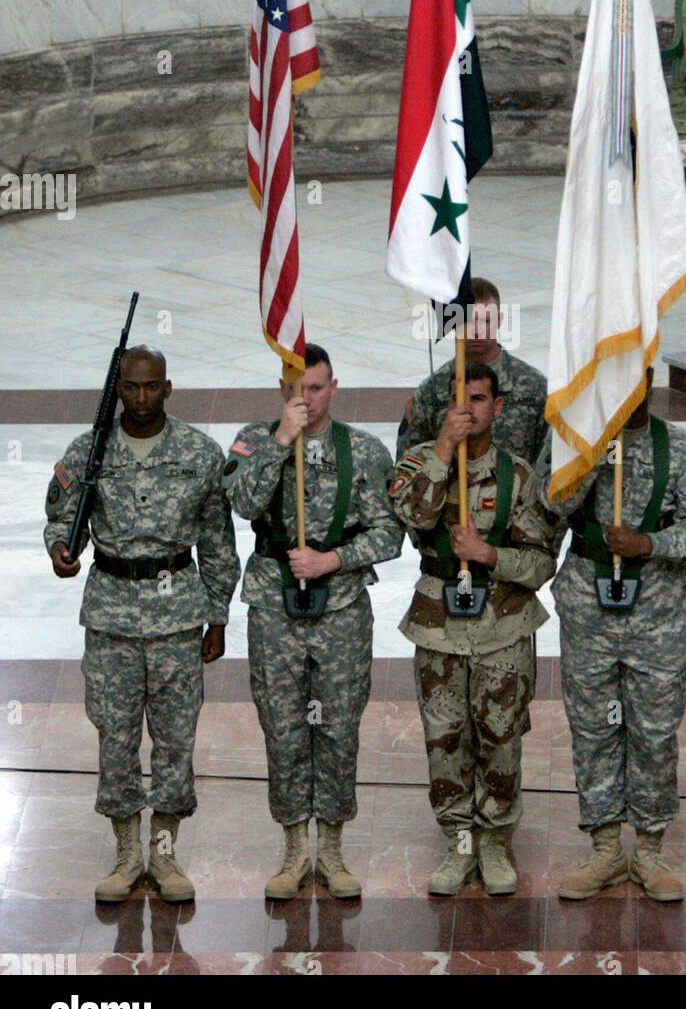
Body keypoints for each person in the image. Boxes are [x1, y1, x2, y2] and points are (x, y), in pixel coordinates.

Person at [44, 346, 240, 904]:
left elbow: (218, 545)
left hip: (178, 616)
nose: (141, 398)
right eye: (131, 387)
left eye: (152, 387)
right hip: (110, 617)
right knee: (116, 737)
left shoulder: (199, 454)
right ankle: (127, 853)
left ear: (168, 388)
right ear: (119, 388)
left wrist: (218, 616)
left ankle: (165, 851)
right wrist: (61, 549)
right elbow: (63, 519)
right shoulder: (89, 451)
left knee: (176, 740)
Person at [222, 344, 402, 900]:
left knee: (339, 726)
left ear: (334, 387)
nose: (308, 398)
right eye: (298, 388)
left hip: (342, 607)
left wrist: (333, 559)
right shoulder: (253, 440)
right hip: (274, 606)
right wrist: (280, 441)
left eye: (318, 387)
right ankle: (294, 846)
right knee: (283, 727)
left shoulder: (365, 451)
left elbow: (390, 534)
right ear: (282, 389)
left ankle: (333, 846)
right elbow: (243, 504)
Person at [537, 368, 686, 902]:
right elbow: (551, 503)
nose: (626, 392)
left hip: (655, 614)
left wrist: (649, 544)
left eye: (635, 380)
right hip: (589, 609)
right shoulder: (574, 444)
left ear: (649, 380)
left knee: (655, 731)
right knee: (593, 728)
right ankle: (606, 848)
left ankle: (651, 849)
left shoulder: (681, 450)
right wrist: (587, 459)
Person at [390, 361, 556, 896]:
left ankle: (495, 839)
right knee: (445, 740)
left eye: (480, 400)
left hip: (502, 628)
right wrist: (441, 449)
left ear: (498, 407)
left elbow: (541, 564)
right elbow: (412, 517)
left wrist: (490, 555)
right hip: (439, 626)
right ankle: (459, 840)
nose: (469, 410)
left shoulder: (520, 475)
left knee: (501, 738)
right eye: (460, 401)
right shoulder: (419, 461)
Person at [396, 277, 547, 467]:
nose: (477, 331)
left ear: (499, 320)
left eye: (486, 321)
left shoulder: (533, 387)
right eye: (468, 321)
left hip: (515, 493)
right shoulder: (432, 391)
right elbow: (407, 463)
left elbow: (549, 465)